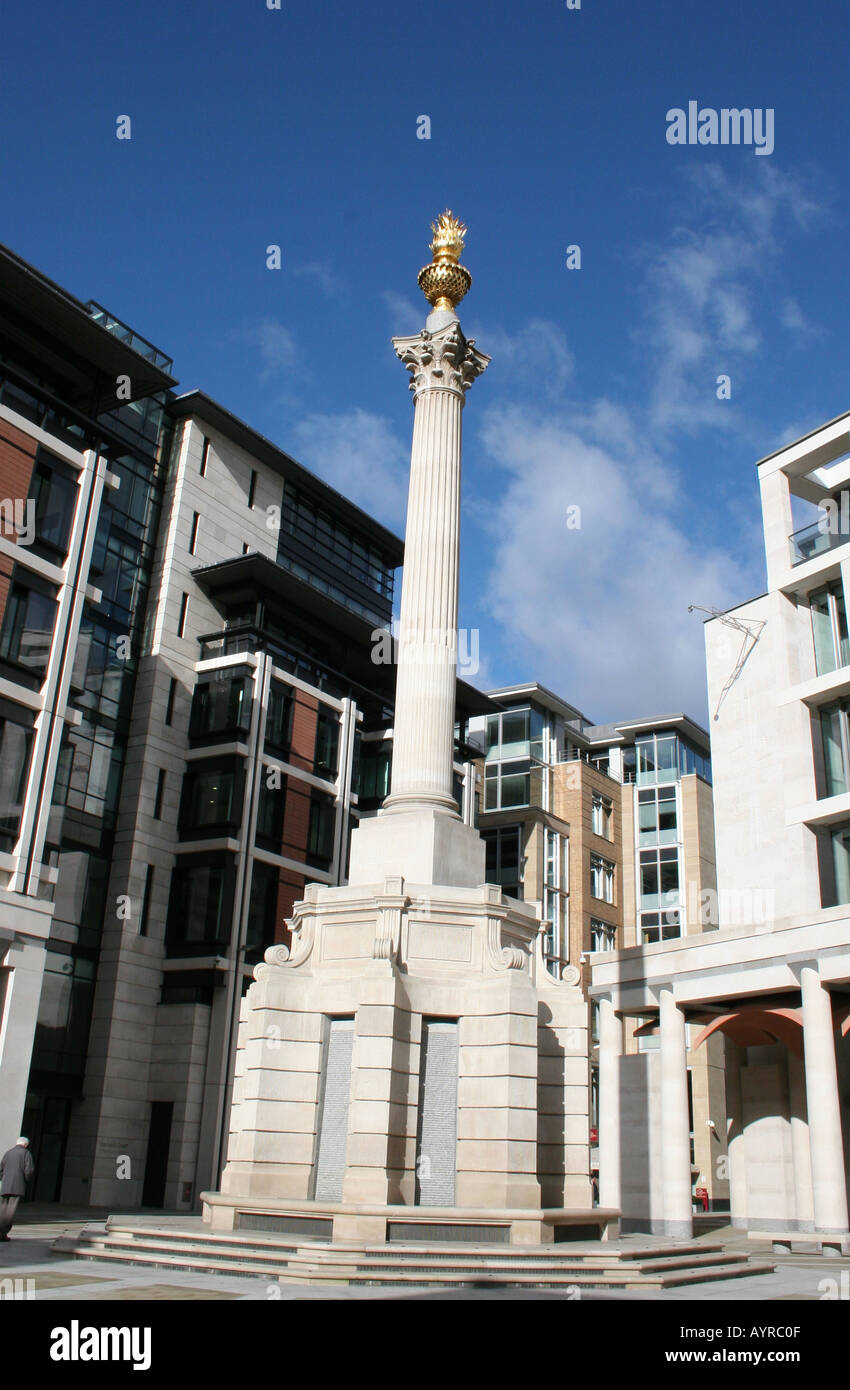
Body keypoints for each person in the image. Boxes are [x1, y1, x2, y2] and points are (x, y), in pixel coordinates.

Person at [0, 1138, 34, 1240]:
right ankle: (2, 1233)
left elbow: (1, 1169)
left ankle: (1, 1233)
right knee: (10, 1211)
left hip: (5, 1186)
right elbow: (29, 1170)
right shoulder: (26, 1153)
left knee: (2, 1210)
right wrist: (26, 1180)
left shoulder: (8, 1153)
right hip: (17, 1186)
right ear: (25, 1145)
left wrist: (4, 1179)